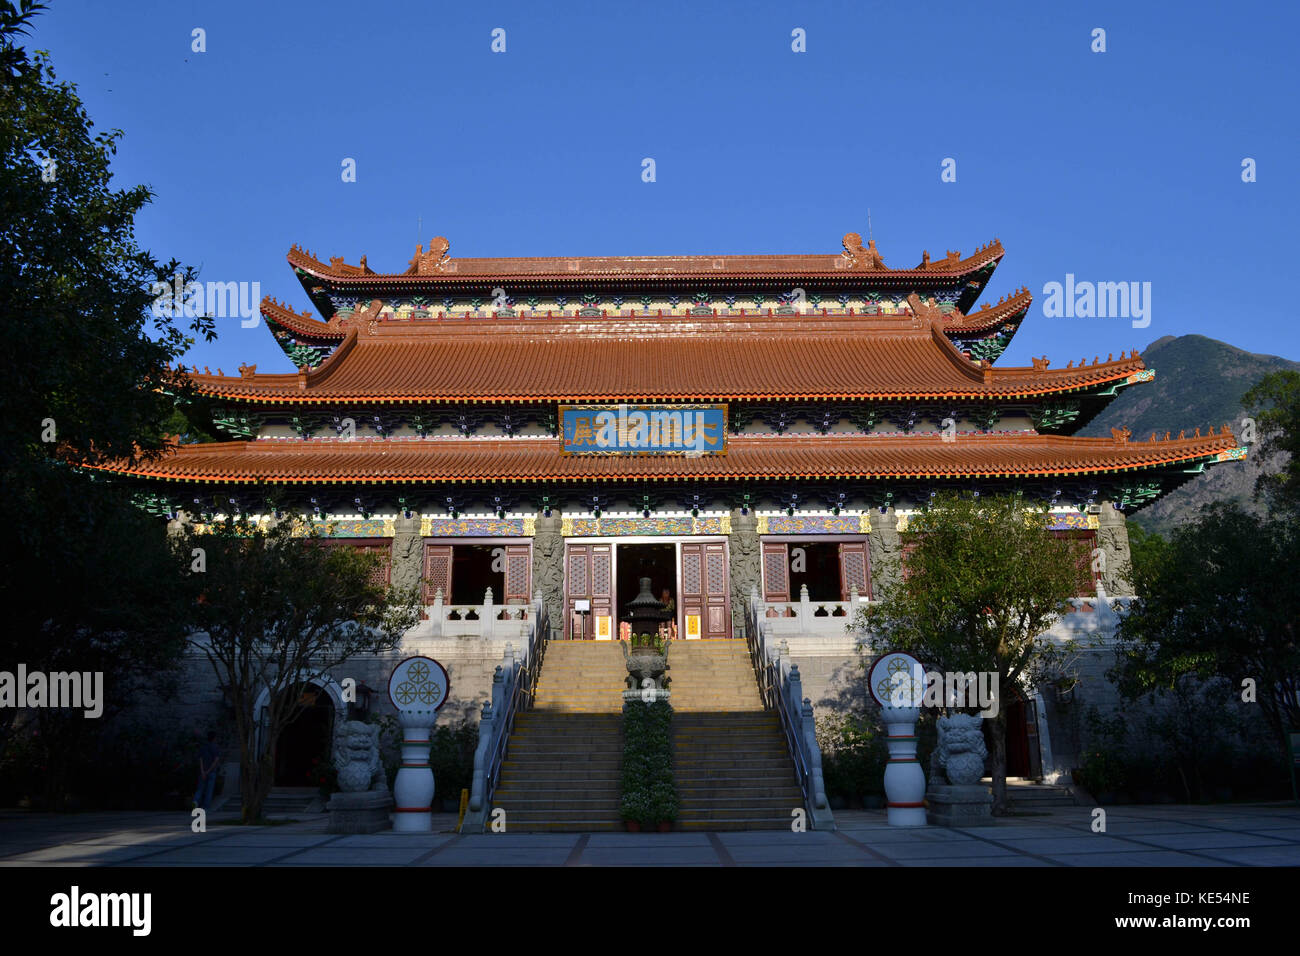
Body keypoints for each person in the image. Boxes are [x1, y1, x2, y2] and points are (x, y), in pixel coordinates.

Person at [193, 731, 221, 811]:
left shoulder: (203, 746)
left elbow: (200, 759)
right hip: (211, 771)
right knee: (209, 790)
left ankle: (195, 801)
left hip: (203, 771)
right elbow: (216, 760)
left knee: (200, 788)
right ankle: (205, 807)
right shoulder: (216, 747)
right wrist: (208, 771)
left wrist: (202, 771)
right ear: (214, 738)